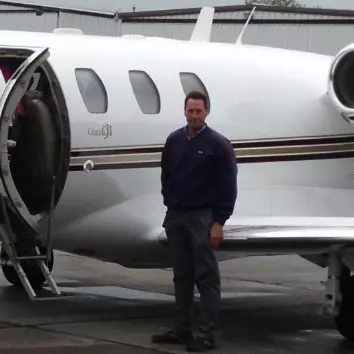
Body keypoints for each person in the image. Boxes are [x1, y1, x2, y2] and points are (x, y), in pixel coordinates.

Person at [151, 90, 238, 352]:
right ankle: (181, 329)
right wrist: (170, 203)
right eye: (190, 111)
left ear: (207, 112)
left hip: (203, 217)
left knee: (206, 276)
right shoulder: (174, 140)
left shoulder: (218, 145)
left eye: (199, 111)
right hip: (177, 215)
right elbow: (166, 174)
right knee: (182, 276)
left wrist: (219, 221)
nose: (194, 115)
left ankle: (206, 334)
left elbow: (228, 186)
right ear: (185, 111)